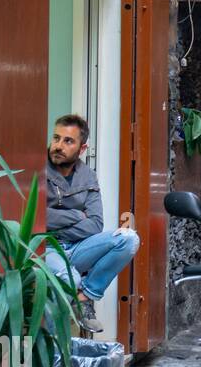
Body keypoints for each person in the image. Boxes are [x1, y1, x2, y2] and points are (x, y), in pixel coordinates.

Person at [45, 115, 139, 334]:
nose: (59, 146)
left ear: (82, 148)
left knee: (128, 238)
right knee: (70, 278)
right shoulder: (39, 169)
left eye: (68, 141)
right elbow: (38, 219)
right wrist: (77, 215)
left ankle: (86, 296)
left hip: (78, 247)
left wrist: (57, 220)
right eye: (56, 138)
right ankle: (56, 352)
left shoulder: (88, 176)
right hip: (46, 247)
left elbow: (95, 225)